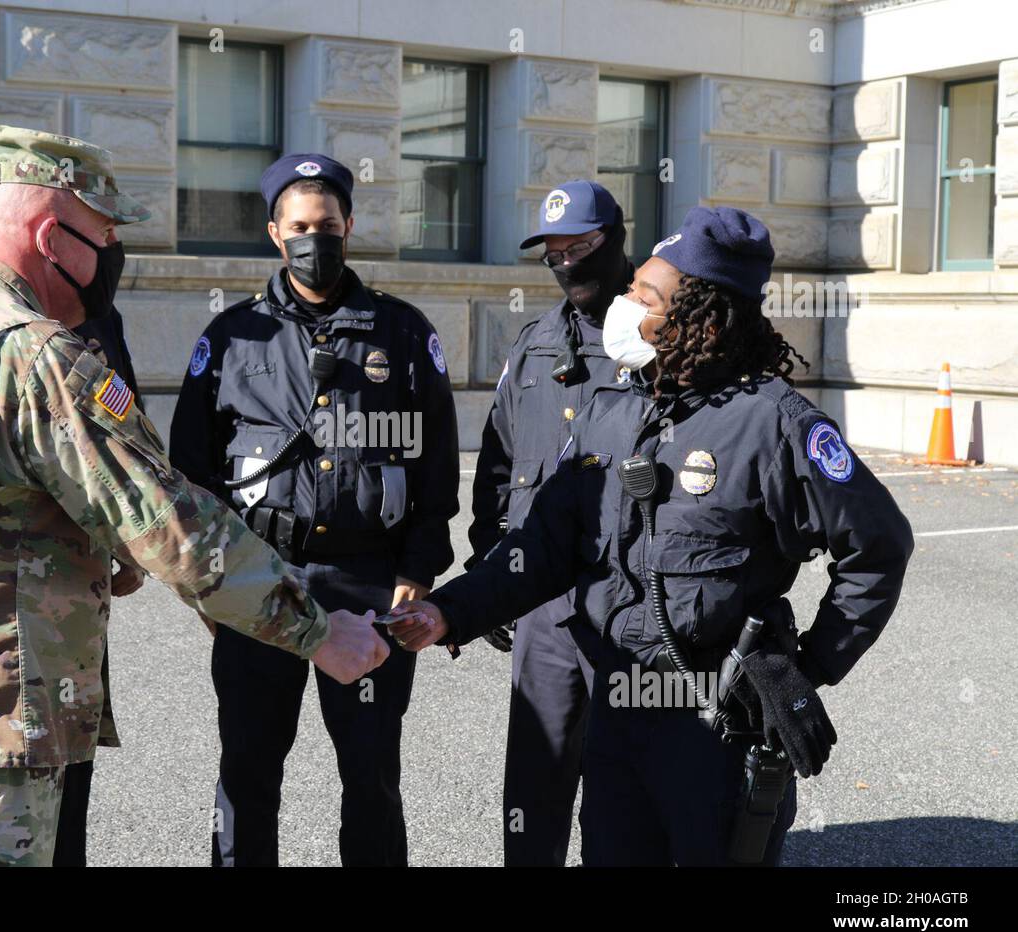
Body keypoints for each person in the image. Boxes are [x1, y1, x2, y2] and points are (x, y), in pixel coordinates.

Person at [0, 126, 387, 867]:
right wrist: (318, 631)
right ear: (50, 237)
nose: (114, 252)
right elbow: (169, 524)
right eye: (104, 233)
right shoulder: (31, 353)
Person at [388, 207, 915, 865]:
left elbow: (879, 548)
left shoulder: (773, 424)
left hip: (716, 725)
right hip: (618, 712)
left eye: (645, 297)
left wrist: (809, 667)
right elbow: (543, 545)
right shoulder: (612, 412)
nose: (625, 305)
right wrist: (450, 610)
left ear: (702, 319)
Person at [170, 152, 459, 867]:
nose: (314, 240)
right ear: (275, 232)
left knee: (371, 773)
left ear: (349, 226)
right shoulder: (233, 336)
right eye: (299, 228)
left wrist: (419, 568)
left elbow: (436, 461)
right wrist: (210, 586)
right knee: (249, 767)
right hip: (260, 575)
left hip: (369, 581)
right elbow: (191, 473)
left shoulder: (401, 332)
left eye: (326, 226)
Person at [468, 180, 633, 866]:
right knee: (535, 779)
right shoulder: (535, 345)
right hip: (543, 604)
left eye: (581, 247)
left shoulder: (661, 338)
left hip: (631, 603)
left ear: (614, 240)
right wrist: (490, 573)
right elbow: (498, 464)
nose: (567, 264)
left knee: (623, 786)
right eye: (554, 254)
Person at [53, 304, 145, 868]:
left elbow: (127, 433)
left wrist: (129, 546)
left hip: (76, 593)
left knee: (71, 761)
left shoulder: (99, 314)